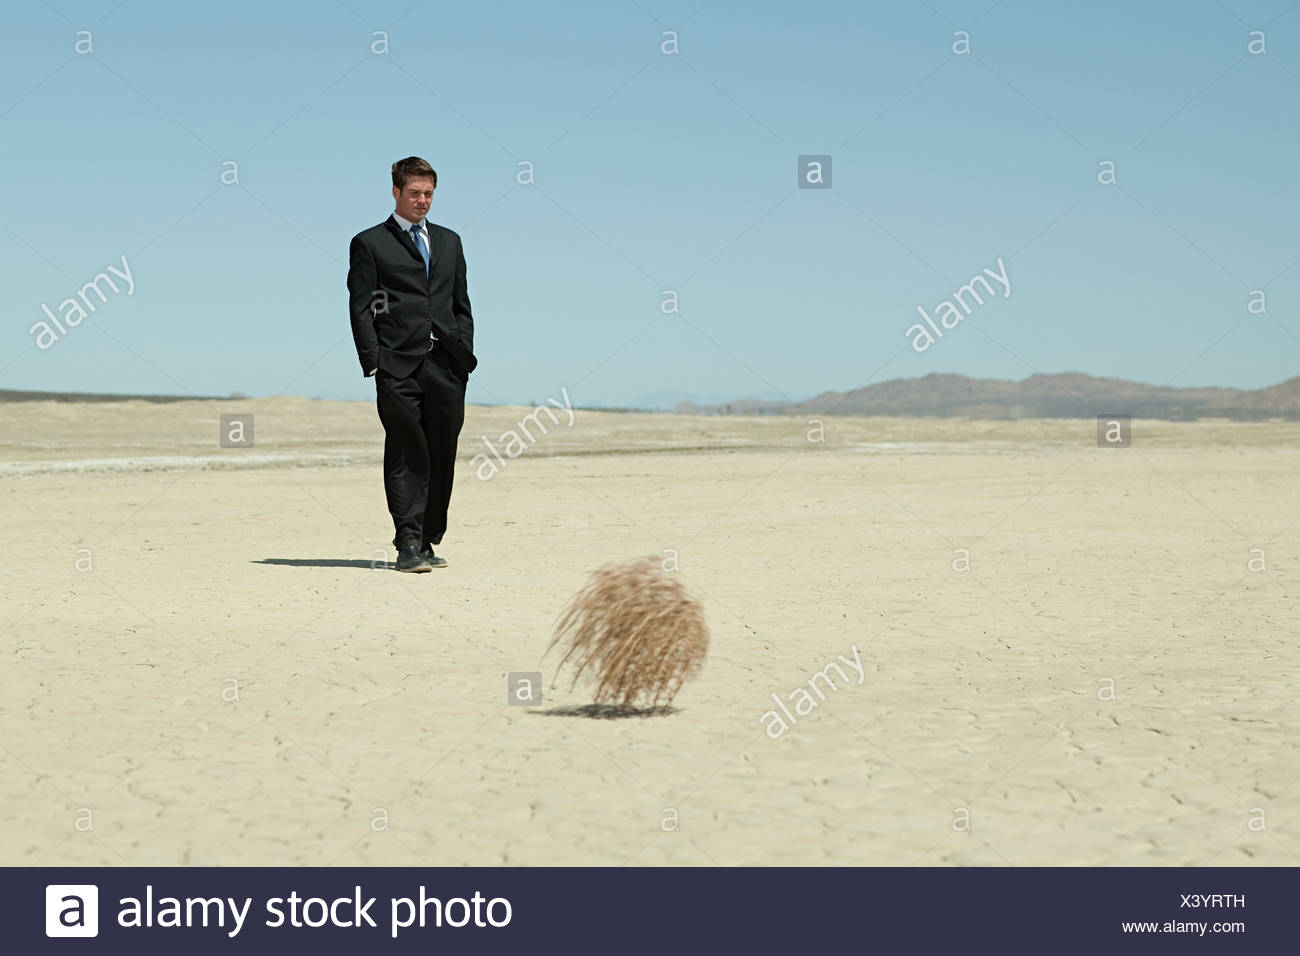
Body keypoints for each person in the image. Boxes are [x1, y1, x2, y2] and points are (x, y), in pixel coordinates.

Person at [347, 156, 477, 572]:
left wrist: (464, 355)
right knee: (406, 450)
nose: (422, 201)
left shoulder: (450, 241)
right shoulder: (369, 243)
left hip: (446, 366)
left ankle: (427, 538)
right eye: (415, 193)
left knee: (442, 452)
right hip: (397, 366)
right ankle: (406, 544)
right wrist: (374, 362)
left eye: (428, 194)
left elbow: (461, 303)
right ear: (396, 193)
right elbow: (361, 307)